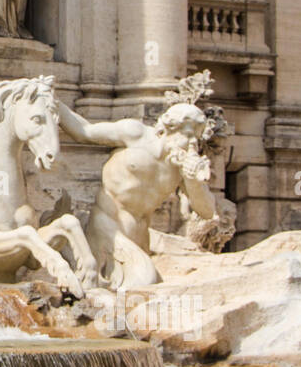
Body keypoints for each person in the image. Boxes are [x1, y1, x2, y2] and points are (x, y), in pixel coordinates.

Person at [57, 100, 216, 288]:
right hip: (108, 225)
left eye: (196, 139)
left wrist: (193, 180)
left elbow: (207, 211)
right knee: (144, 280)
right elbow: (85, 132)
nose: (192, 143)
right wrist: (54, 103)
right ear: (169, 128)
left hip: (140, 235)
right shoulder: (136, 134)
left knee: (144, 287)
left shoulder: (180, 168)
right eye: (188, 135)